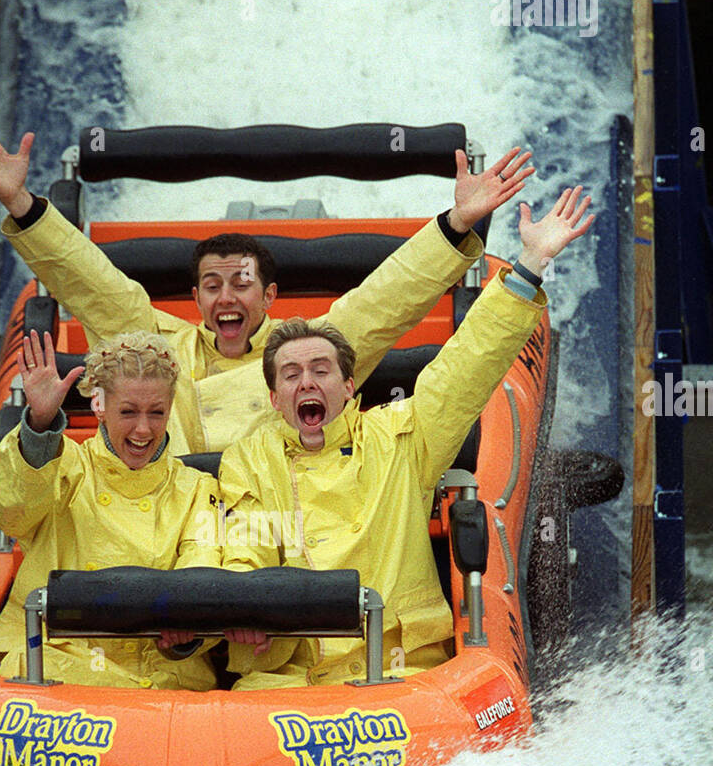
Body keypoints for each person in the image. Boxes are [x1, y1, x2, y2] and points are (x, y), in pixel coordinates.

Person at [0, 110, 535, 453]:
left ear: (270, 298)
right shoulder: (153, 346)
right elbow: (92, 283)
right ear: (194, 300)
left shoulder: (306, 354)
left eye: (241, 284)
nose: (226, 297)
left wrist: (458, 223)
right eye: (212, 286)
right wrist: (20, 202)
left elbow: (388, 297)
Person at [218, 187, 595, 688]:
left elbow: (464, 370)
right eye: (290, 374)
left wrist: (529, 265)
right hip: (291, 678)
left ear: (349, 386)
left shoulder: (398, 436)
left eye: (320, 369)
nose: (306, 382)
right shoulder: (247, 460)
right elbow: (245, 542)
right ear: (273, 398)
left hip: (402, 675)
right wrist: (247, 607)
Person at [0, 330, 220, 689]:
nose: (143, 428)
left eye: (157, 413)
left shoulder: (198, 487)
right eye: (128, 412)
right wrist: (39, 426)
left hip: (158, 674)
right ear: (99, 407)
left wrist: (187, 624)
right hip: (56, 660)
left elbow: (205, 567)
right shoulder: (64, 465)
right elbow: (12, 508)